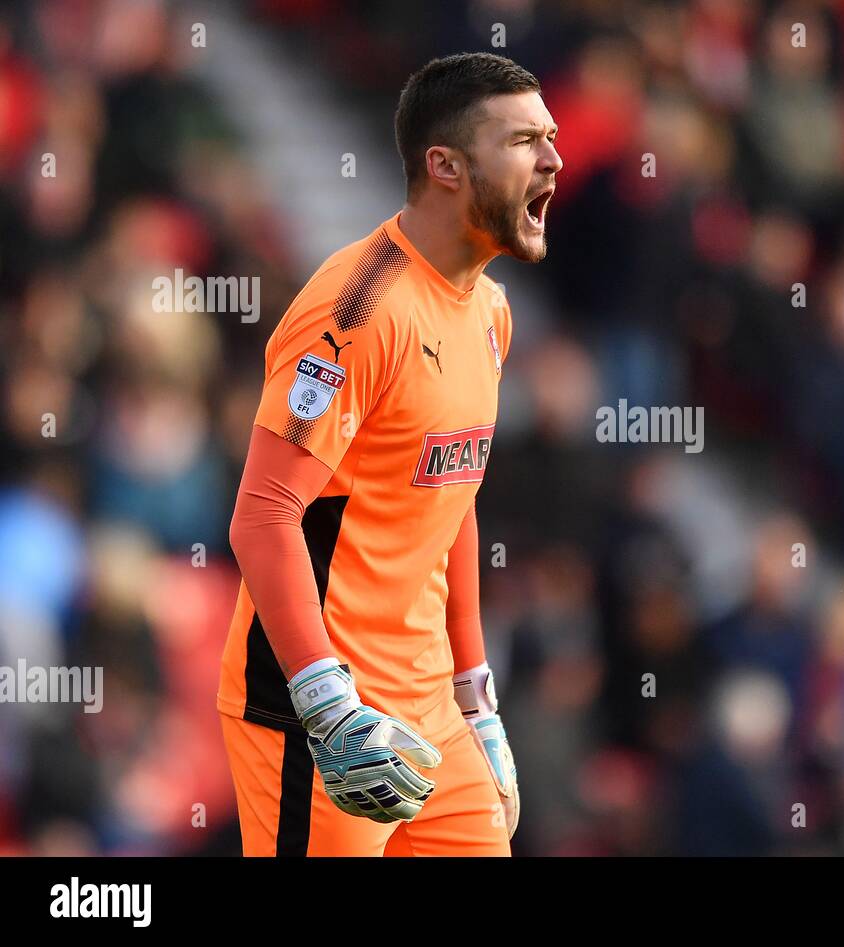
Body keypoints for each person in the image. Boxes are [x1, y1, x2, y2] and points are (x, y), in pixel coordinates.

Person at [216, 52, 562, 856]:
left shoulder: (491, 311)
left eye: (549, 137)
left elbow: (452, 499)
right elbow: (262, 516)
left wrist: (475, 697)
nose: (553, 159)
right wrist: (325, 703)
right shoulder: (356, 311)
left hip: (430, 710)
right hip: (319, 719)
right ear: (445, 165)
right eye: (523, 141)